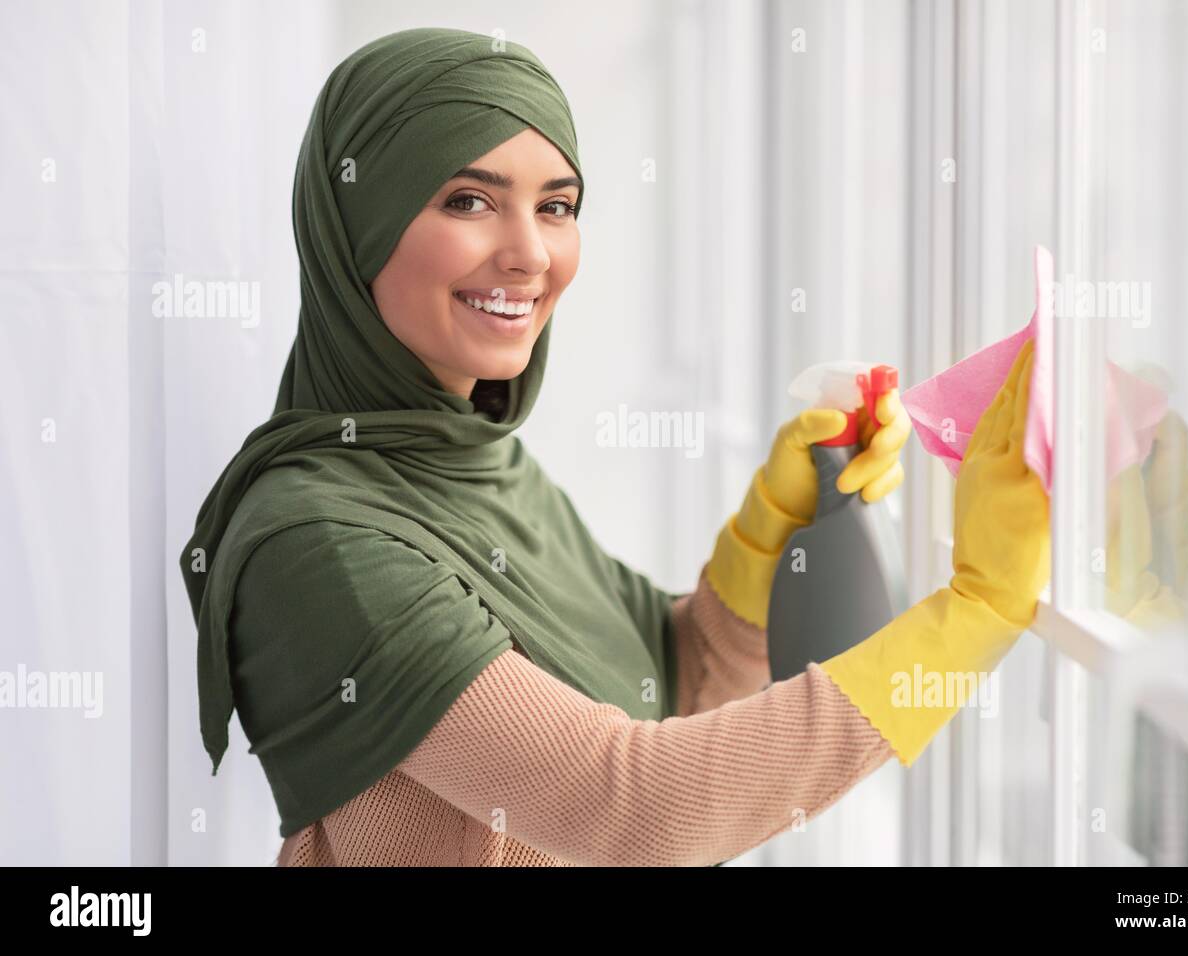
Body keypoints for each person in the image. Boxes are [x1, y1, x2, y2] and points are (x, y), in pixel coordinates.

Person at [178, 27, 1050, 867]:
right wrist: (975, 613)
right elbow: (631, 805)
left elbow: (677, 678)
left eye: (556, 206)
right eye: (469, 200)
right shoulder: (319, 542)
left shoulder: (482, 466)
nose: (530, 254)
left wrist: (767, 532)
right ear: (355, 226)